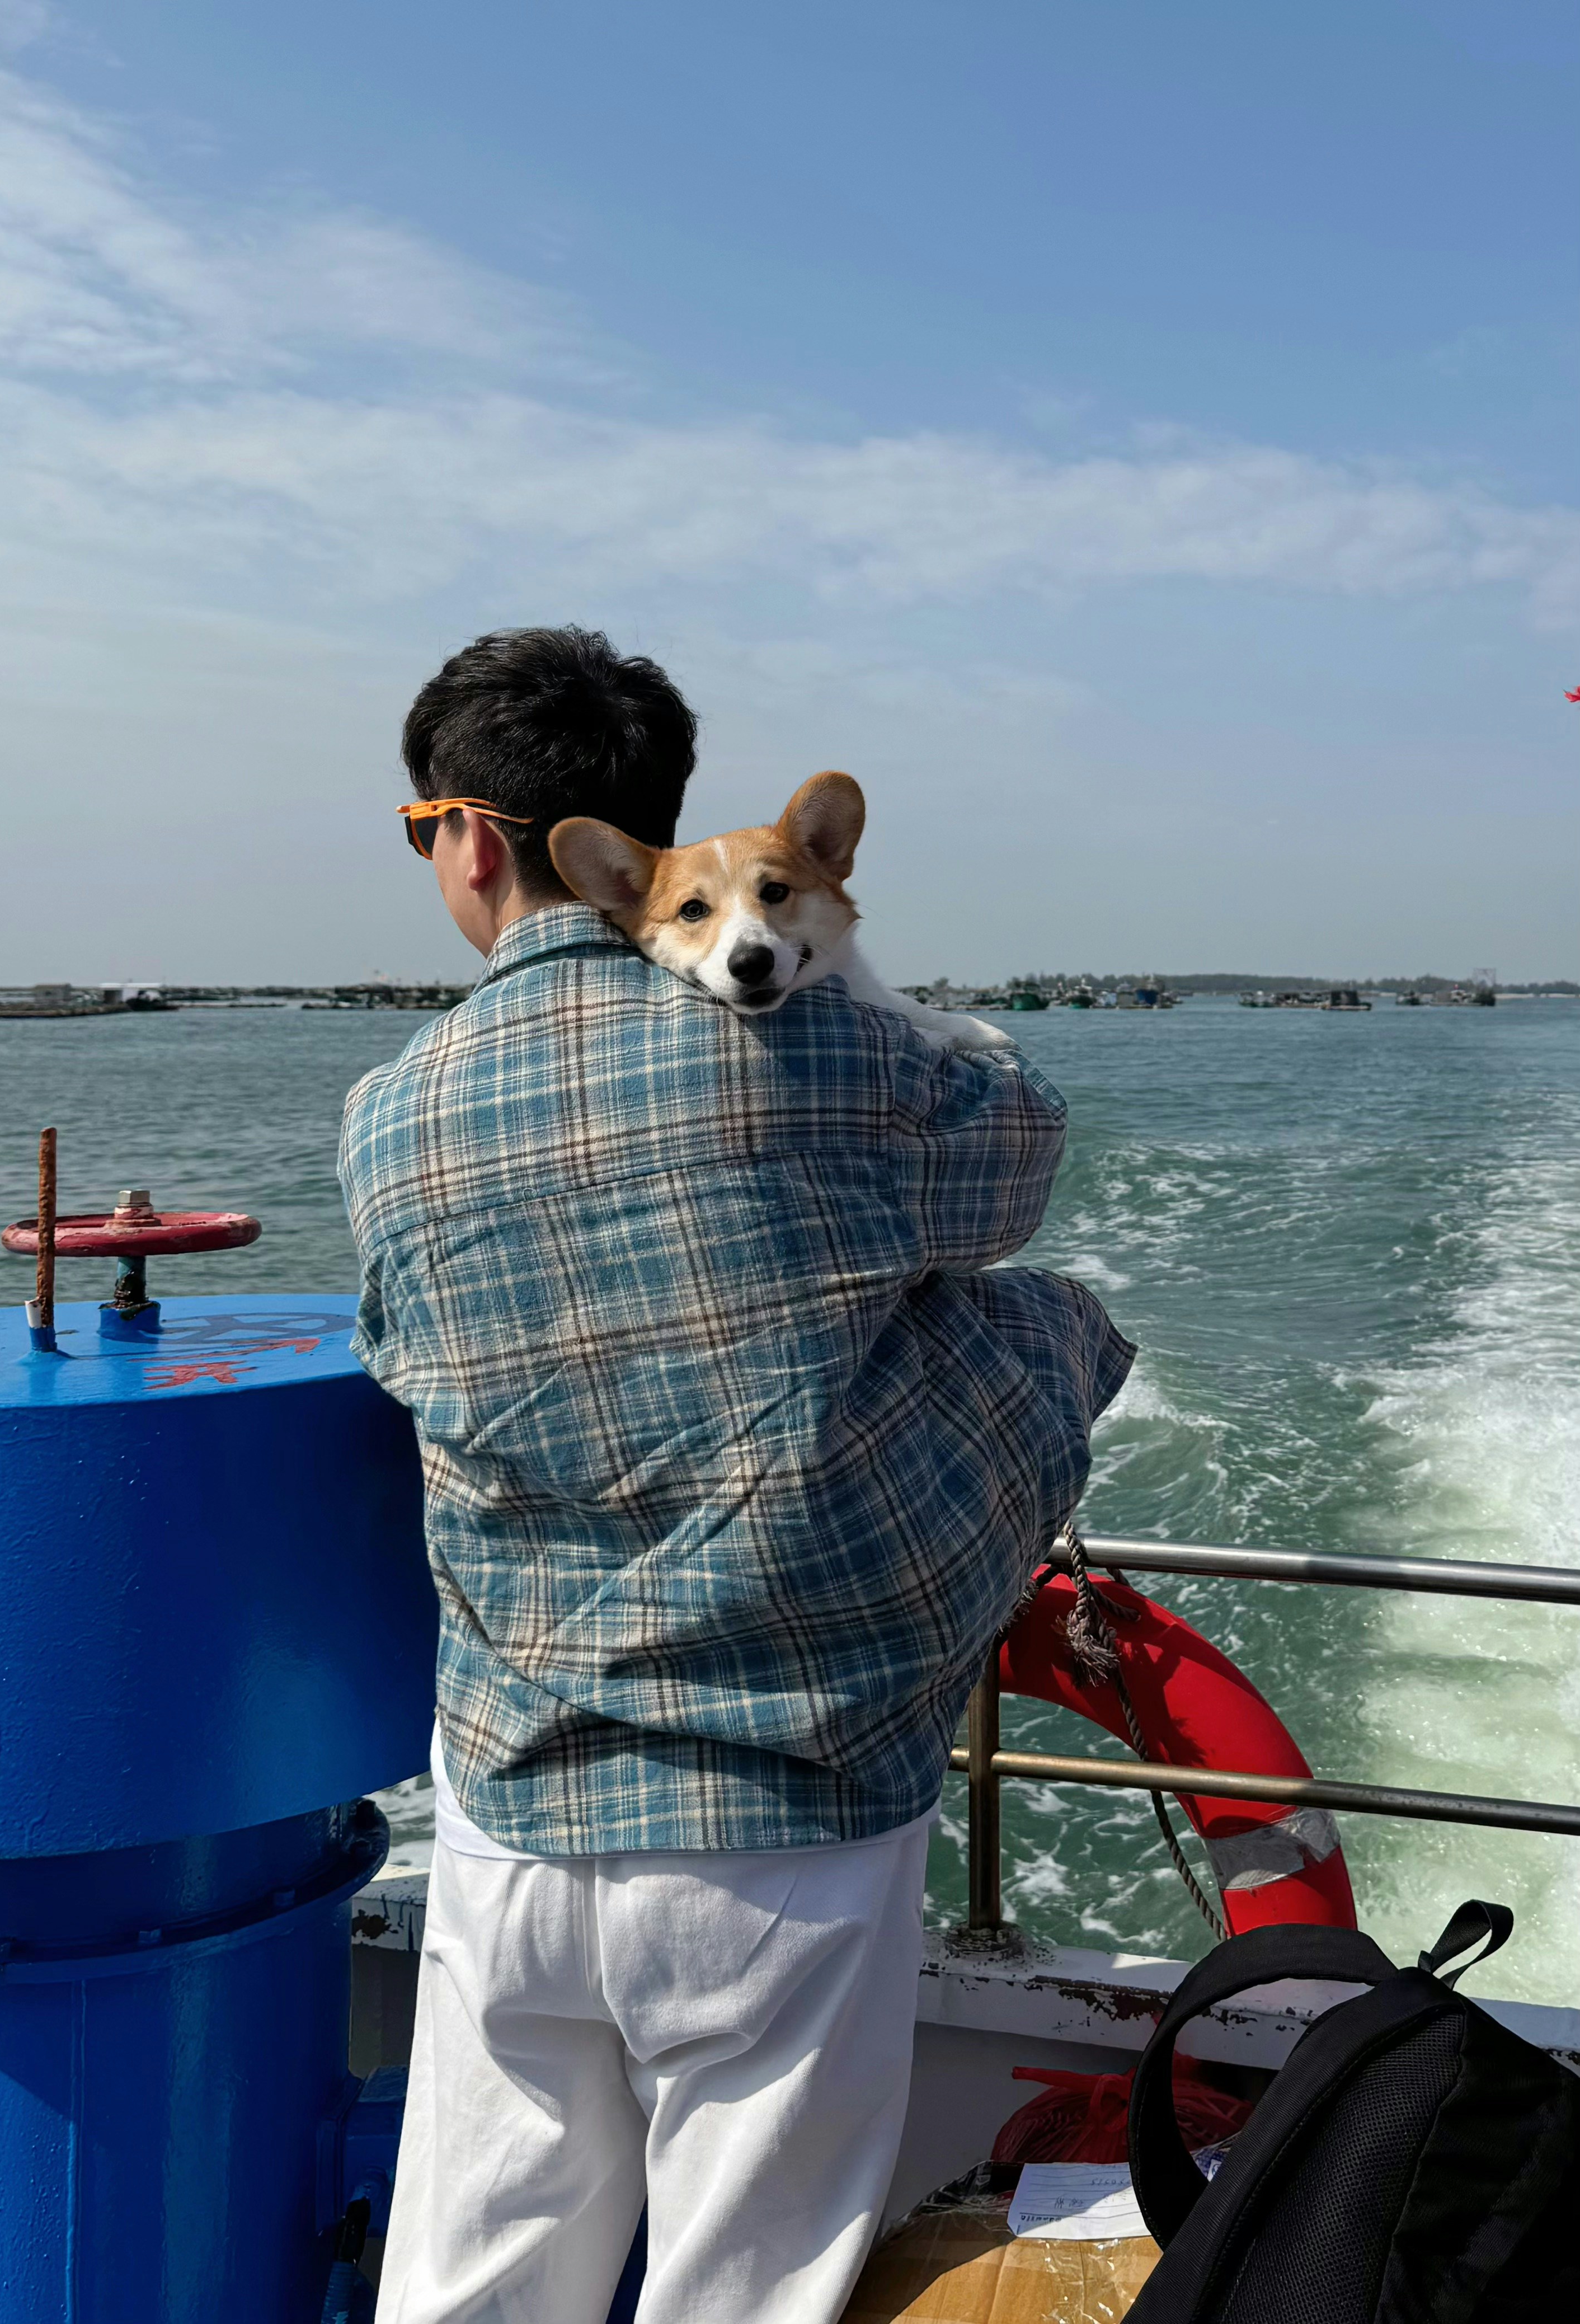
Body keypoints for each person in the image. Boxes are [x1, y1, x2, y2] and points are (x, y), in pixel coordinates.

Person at [340, 626, 1134, 2324]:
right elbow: (1016, 1171)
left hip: (512, 1805)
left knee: (470, 2285)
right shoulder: (832, 1054)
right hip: (784, 1809)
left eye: (420, 835)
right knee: (743, 2295)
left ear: (470, 837)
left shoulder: (387, 1111)